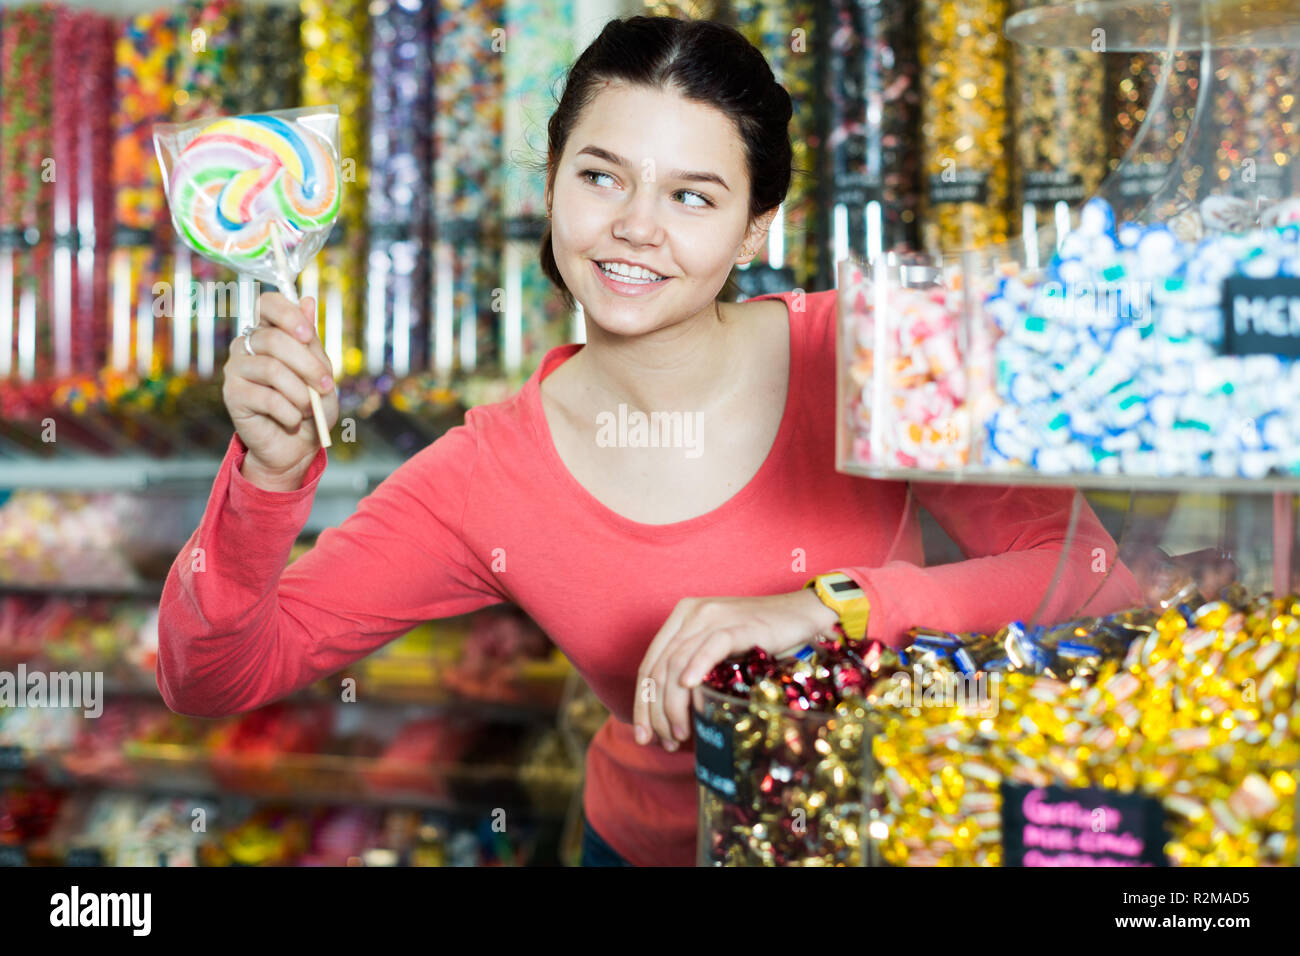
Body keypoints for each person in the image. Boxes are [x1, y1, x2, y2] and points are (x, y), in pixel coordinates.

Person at [156, 15, 1141, 867]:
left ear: (757, 228)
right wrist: (268, 479)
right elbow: (213, 676)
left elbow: (1095, 576)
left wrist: (825, 607)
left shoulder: (871, 350)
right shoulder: (484, 475)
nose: (633, 227)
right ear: (552, 181)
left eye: (691, 195)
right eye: (601, 175)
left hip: (877, 832)